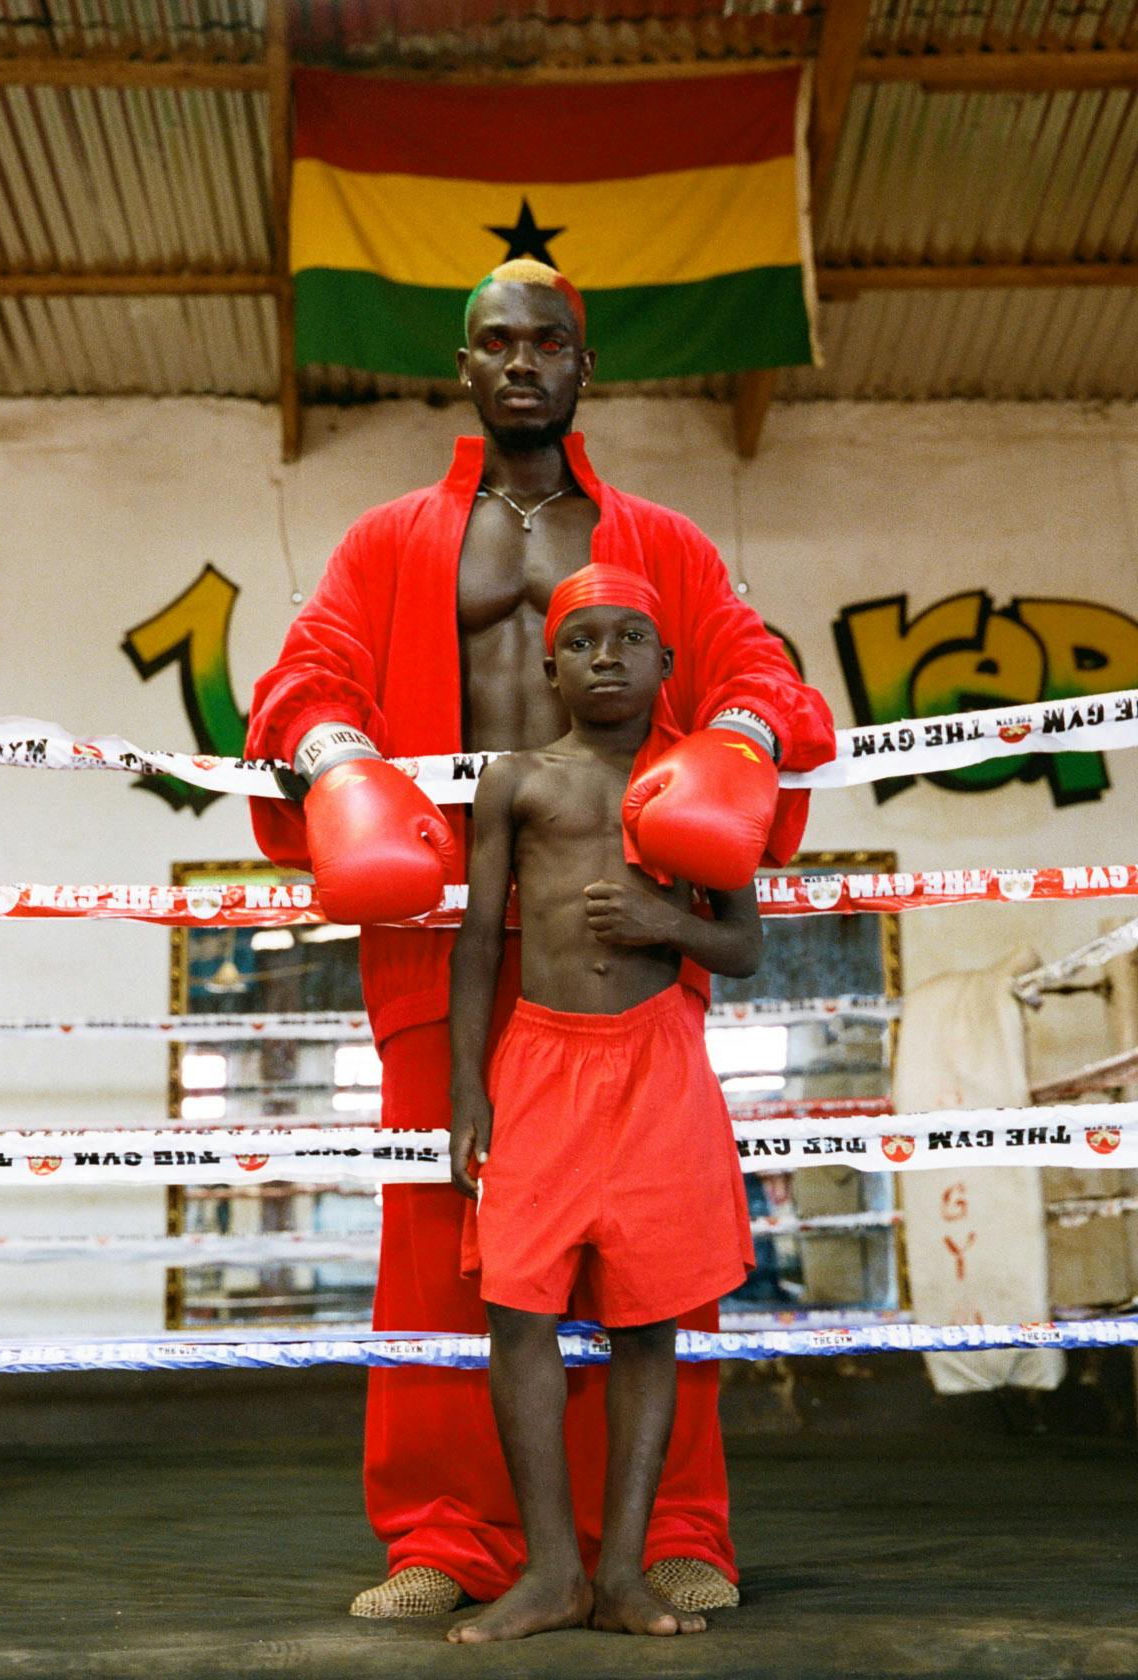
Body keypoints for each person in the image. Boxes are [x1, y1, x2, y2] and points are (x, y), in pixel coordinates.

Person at [245, 257, 835, 1618]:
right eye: (495, 341)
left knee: (655, 1250)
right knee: (445, 1244)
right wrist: (338, 762)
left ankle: (671, 1532)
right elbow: (302, 680)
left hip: (620, 933)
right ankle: (449, 1540)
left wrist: (735, 744)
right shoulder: (390, 539)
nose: (521, 361)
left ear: (585, 366)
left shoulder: (666, 544)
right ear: (464, 366)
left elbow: (760, 674)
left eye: (547, 341)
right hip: (444, 930)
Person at [446, 565, 760, 1643]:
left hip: (659, 1060)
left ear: (666, 664)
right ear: (551, 667)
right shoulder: (517, 782)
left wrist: (662, 925)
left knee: (648, 1316)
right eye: (585, 642)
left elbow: (746, 947)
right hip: (539, 1061)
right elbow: (480, 939)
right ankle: (548, 1572)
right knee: (517, 1309)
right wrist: (465, 1091)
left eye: (633, 639)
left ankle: (622, 1571)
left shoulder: (701, 781)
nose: (610, 657)